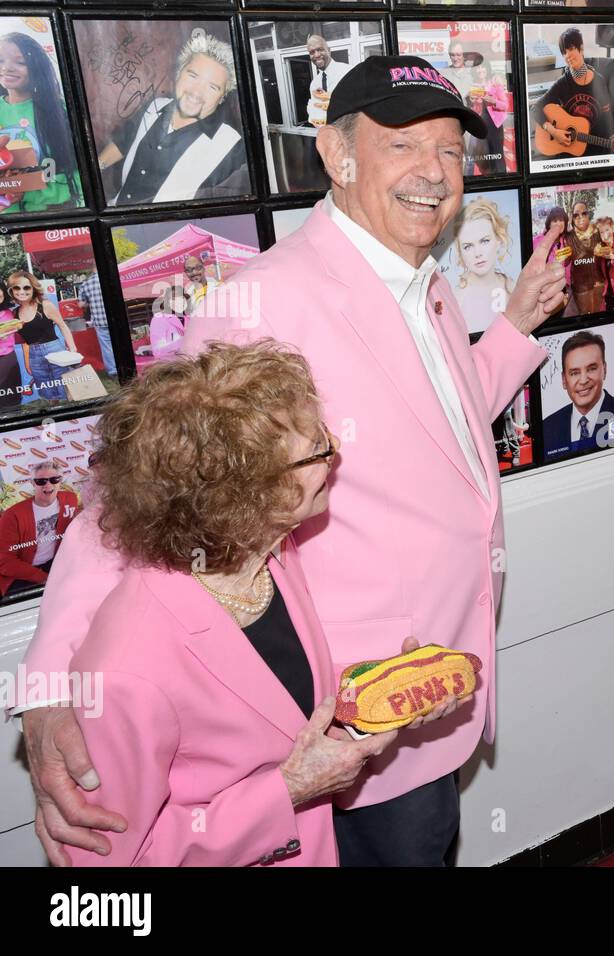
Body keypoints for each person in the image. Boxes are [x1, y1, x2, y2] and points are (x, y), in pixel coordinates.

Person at [17, 54, 567, 868]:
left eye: (451, 150)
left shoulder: (427, 283)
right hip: (341, 710)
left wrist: (514, 332)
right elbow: (138, 497)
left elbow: (435, 435)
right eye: (404, 145)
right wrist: (54, 683)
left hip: (429, 679)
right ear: (338, 156)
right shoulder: (265, 303)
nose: (435, 171)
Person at [60, 342, 415, 866]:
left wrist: (389, 688)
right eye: (316, 448)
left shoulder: (267, 555)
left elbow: (277, 702)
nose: (336, 448)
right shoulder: (126, 671)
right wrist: (288, 791)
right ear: (247, 493)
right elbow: (107, 866)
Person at [96, 28, 249, 205]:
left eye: (213, 87)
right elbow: (122, 142)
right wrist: (93, 171)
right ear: (178, 74)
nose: (197, 92)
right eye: (193, 76)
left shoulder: (232, 145)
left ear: (222, 97)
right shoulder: (154, 106)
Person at [0, 31, 82, 214]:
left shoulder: (58, 110)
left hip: (52, 214)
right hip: (8, 222)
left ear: (37, 67)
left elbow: (77, 172)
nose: (7, 68)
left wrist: (26, 193)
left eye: (20, 62)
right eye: (1, 60)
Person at [532, 28, 614, 158]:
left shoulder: (599, 81)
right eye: (564, 52)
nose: (567, 55)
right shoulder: (562, 83)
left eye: (571, 48)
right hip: (569, 150)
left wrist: (613, 137)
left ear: (581, 48)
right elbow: (536, 108)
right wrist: (553, 131)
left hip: (594, 148)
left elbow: (606, 118)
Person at [541, 330, 614, 458]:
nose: (583, 380)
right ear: (564, 380)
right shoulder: (547, 427)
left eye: (591, 369)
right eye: (574, 373)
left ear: (604, 370)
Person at [0, 460, 79, 598]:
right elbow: (5, 561)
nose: (48, 485)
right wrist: (43, 578)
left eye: (54, 479)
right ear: (32, 483)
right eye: (41, 481)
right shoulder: (13, 515)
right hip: (22, 573)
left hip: (55, 564)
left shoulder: (70, 499)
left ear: (60, 481)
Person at [449, 196, 516, 324]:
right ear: (460, 251)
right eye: (468, 246)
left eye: (484, 241)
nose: (477, 253)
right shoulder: (455, 300)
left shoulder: (513, 288)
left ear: (499, 240)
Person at [9, 268, 72, 403]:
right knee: (47, 391)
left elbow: (63, 326)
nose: (21, 291)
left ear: (33, 289)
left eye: (26, 287)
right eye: (17, 288)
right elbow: (22, 340)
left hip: (55, 350)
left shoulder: (45, 305)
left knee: (65, 387)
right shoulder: (14, 314)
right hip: (34, 355)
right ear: (12, 291)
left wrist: (73, 349)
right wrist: (27, 361)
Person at [305, 35, 354, 129]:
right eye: (312, 52)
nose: (316, 55)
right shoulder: (314, 84)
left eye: (320, 49)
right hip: (328, 136)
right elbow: (315, 113)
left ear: (329, 50)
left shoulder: (348, 72)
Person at [148, 288, 187, 362]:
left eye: (182, 298)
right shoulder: (159, 318)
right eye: (173, 299)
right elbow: (158, 350)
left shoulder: (188, 318)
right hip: (173, 367)